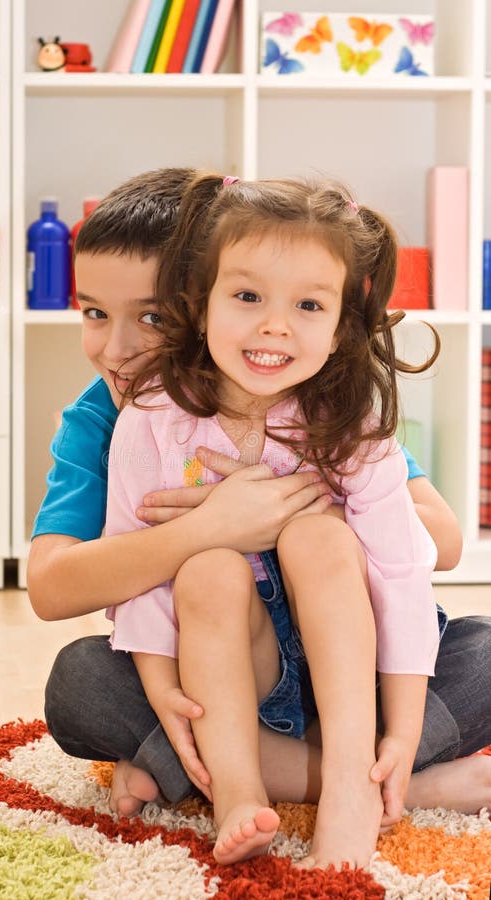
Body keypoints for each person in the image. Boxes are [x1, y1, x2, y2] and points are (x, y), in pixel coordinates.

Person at [26, 168, 491, 859]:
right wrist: (208, 527)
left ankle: (199, 773)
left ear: (191, 301)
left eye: (151, 316)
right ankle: (397, 783)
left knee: (475, 650)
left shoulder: (332, 410)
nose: (116, 349)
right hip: (214, 664)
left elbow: (438, 546)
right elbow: (51, 586)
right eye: (94, 313)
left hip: (347, 659)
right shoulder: (116, 420)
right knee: (83, 685)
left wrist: (292, 504)